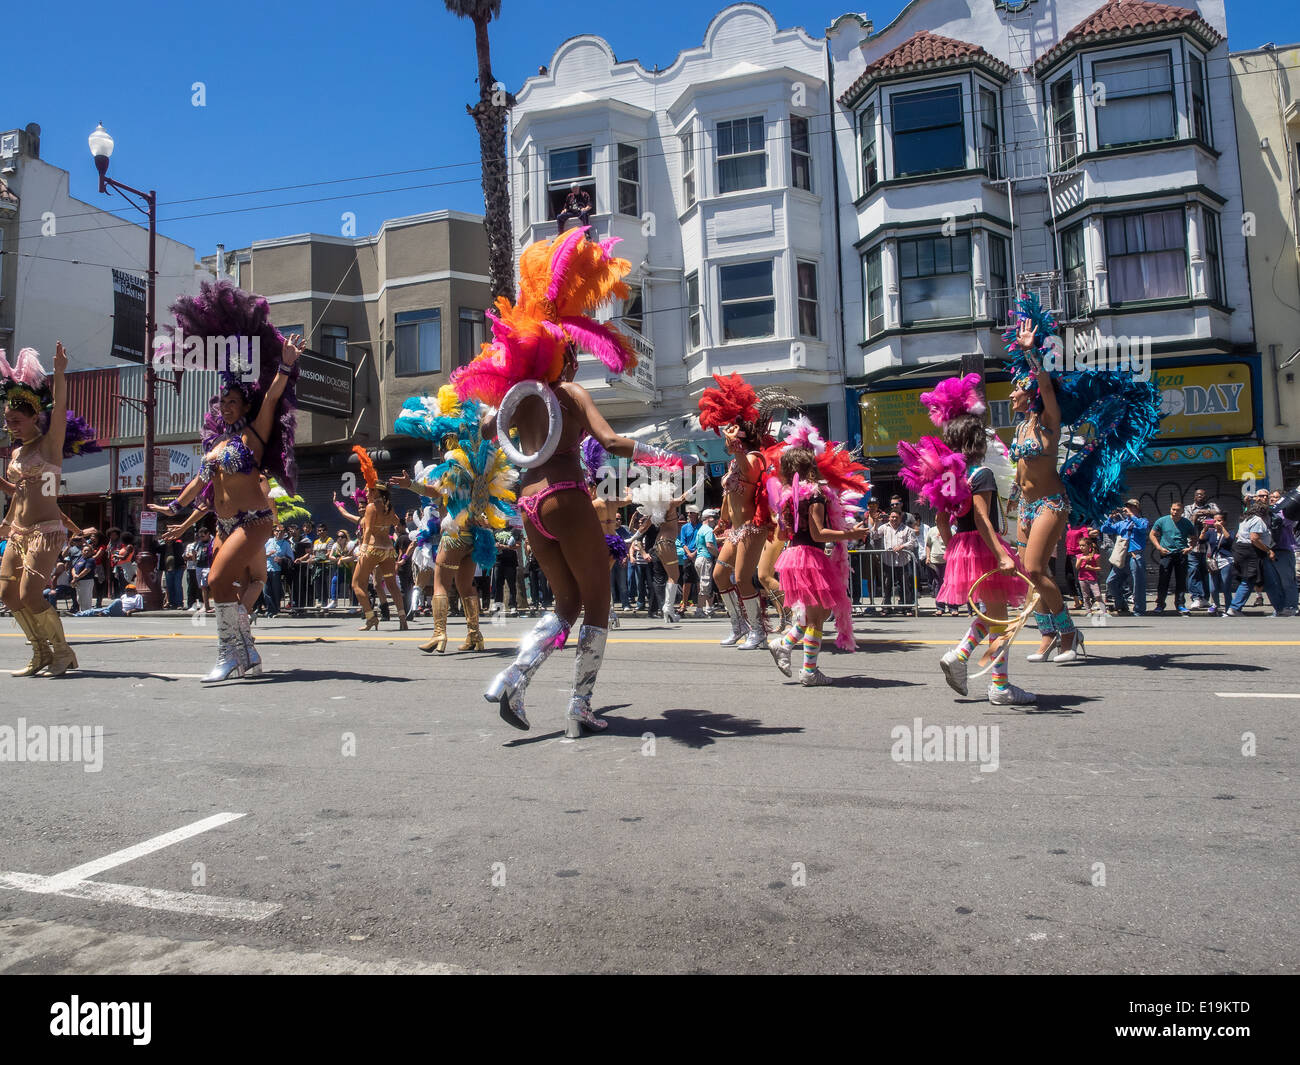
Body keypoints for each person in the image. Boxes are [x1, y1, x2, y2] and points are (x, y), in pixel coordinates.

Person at [454, 229, 697, 736]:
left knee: (565, 605)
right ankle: (579, 705)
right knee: (598, 603)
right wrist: (664, 457)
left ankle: (511, 678)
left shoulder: (521, 397)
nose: (574, 359)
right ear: (562, 354)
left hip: (529, 505)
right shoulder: (569, 391)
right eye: (571, 352)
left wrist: (511, 390)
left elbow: (483, 431)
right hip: (565, 497)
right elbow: (610, 442)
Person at [160, 280, 301, 681]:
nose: (225, 406)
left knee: (218, 581)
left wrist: (286, 365)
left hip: (253, 521)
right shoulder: (217, 444)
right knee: (224, 589)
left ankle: (229, 656)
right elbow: (199, 484)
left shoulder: (254, 434)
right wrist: (173, 507)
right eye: (222, 402)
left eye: (232, 401)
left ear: (245, 405)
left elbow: (273, 396)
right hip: (222, 524)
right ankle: (248, 653)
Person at [1, 343, 102, 677]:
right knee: (7, 595)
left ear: (34, 417)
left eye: (16, 420)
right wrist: (6, 522)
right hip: (17, 534)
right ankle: (40, 652)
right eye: (6, 421)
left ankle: (63, 653)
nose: (10, 426)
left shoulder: (49, 445)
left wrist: (59, 372)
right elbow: (21, 493)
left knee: (31, 594)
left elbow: (59, 408)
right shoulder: (16, 455)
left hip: (45, 532)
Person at [391, 385, 516, 653]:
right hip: (477, 536)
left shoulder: (454, 468)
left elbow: (434, 491)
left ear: (445, 445)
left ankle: (439, 634)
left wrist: (410, 485)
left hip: (455, 536)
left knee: (440, 584)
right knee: (465, 585)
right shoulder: (479, 470)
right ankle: (475, 636)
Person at [700, 374, 795, 649]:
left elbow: (749, 474)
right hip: (735, 529)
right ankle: (739, 624)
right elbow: (730, 495)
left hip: (754, 527)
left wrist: (737, 448)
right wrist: (722, 520)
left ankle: (759, 630)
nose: (727, 432)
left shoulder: (753, 458)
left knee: (743, 578)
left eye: (732, 428)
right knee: (719, 576)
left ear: (742, 434)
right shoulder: (735, 461)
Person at [768, 446, 870, 685]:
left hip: (795, 555)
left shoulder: (791, 495)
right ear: (809, 467)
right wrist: (849, 533)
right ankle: (809, 671)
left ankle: (785, 645)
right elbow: (818, 532)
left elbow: (784, 535)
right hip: (809, 558)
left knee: (821, 612)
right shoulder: (815, 494)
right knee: (816, 617)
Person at [1224, 501, 1284, 617]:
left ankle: (1279, 608)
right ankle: (1235, 608)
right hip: (1253, 553)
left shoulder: (1245, 520)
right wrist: (1268, 550)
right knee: (1250, 580)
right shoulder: (1257, 520)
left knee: (1267, 581)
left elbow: (1237, 535)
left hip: (1246, 552)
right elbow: (1254, 538)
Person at [1101, 501, 1150, 616]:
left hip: (1136, 556)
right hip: (1123, 557)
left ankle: (1139, 610)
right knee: (1111, 581)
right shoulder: (1122, 523)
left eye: (1131, 507)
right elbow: (1104, 529)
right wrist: (1110, 518)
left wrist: (1132, 516)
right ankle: (1121, 604)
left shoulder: (1143, 521)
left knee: (1138, 583)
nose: (1127, 509)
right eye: (1127, 507)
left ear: (1137, 508)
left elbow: (1143, 528)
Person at [1149, 501, 1195, 615]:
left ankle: (1180, 604)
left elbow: (1194, 537)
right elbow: (1152, 534)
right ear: (1170, 509)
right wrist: (1159, 548)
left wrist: (1190, 548)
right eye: (1173, 509)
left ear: (1182, 511)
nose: (1175, 512)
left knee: (1181, 581)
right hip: (1166, 554)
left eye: (1177, 510)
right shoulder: (1162, 520)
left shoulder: (1186, 523)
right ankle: (1160, 604)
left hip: (1181, 554)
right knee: (1163, 580)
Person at [1184, 488, 1222, 608]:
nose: (1200, 496)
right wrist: (1195, 516)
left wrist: (1207, 512)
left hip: (1209, 546)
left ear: (1206, 496)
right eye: (1198, 495)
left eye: (1202, 494)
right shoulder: (1188, 508)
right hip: (1193, 545)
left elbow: (1218, 514)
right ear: (1194, 497)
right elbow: (1187, 524)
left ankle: (1205, 598)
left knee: (1207, 572)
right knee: (1194, 571)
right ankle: (1196, 597)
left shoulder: (1211, 506)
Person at [1268, 488, 1299, 616]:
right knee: (1275, 583)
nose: (1272, 500)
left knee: (1287, 581)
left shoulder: (1286, 513)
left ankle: (1291, 607)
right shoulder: (1270, 513)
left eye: (1275, 497)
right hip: (1269, 551)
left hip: (1283, 550)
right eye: (1271, 497)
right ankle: (1280, 608)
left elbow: (1282, 521)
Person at [1200, 512, 1234, 615]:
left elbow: (1229, 541)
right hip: (1213, 561)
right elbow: (1201, 540)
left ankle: (1229, 607)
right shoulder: (1211, 532)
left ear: (1224, 522)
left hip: (1226, 561)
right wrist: (1204, 529)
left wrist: (1222, 528)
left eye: (1219, 520)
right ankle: (1215, 604)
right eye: (1215, 521)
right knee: (1213, 587)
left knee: (1225, 586)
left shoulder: (1230, 532)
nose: (1217, 523)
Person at [695, 509, 719, 617]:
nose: (716, 521)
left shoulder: (701, 529)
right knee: (705, 585)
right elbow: (709, 545)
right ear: (708, 518)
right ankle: (699, 610)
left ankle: (709, 609)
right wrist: (718, 554)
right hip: (706, 559)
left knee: (707, 584)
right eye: (714, 518)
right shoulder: (709, 530)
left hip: (700, 558)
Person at [74, 582, 144, 618]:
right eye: (127, 590)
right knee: (94, 610)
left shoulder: (137, 596)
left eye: (130, 590)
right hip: (112, 610)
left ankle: (104, 612)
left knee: (117, 601)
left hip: (123, 611)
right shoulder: (124, 596)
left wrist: (130, 611)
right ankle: (77, 615)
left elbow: (139, 608)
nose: (128, 592)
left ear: (134, 591)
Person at [924, 519, 950, 614]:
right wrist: (927, 557)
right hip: (935, 560)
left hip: (948, 560)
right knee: (938, 583)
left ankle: (953, 607)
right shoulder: (931, 530)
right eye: (937, 519)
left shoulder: (951, 530)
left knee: (949, 583)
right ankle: (940, 607)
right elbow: (928, 545)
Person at [1076, 534, 1103, 614]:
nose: (1081, 547)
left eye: (1083, 545)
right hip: (1082, 578)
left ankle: (1103, 608)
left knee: (1097, 594)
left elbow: (1099, 568)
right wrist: (1081, 559)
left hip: (1092, 578)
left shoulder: (1095, 556)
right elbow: (1077, 567)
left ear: (1089, 546)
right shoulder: (1079, 556)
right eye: (1080, 545)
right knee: (1086, 596)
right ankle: (1088, 610)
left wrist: (1092, 568)